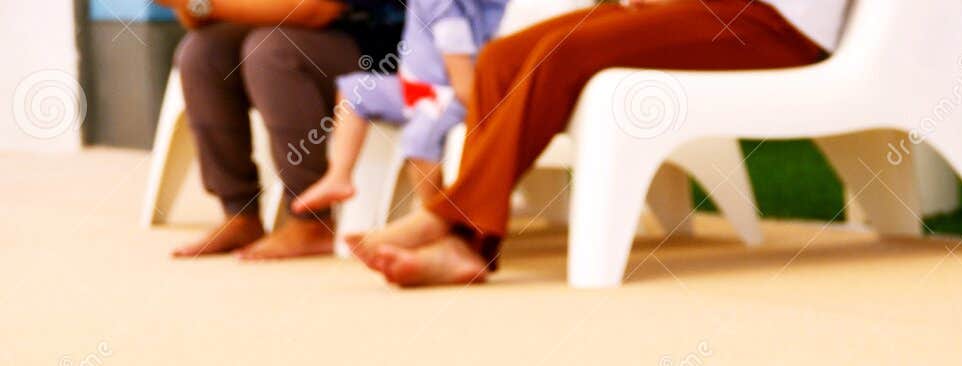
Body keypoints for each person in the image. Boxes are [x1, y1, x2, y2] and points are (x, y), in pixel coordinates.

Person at [353, 0, 848, 288]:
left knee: (564, 53)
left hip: (770, 19)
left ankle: (453, 226)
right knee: (500, 59)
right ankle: (467, 239)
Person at [156, 0, 404, 259]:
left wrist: (202, 3)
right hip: (298, 34)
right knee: (203, 52)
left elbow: (316, 10)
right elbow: (197, 18)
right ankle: (240, 214)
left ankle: (311, 221)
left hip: (382, 50)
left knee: (271, 52)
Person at [293, 0, 510, 219]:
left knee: (420, 137)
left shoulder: (447, 9)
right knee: (354, 90)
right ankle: (338, 175)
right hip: (411, 86)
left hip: (449, 93)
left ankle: (436, 218)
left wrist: (488, 114)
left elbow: (464, 83)